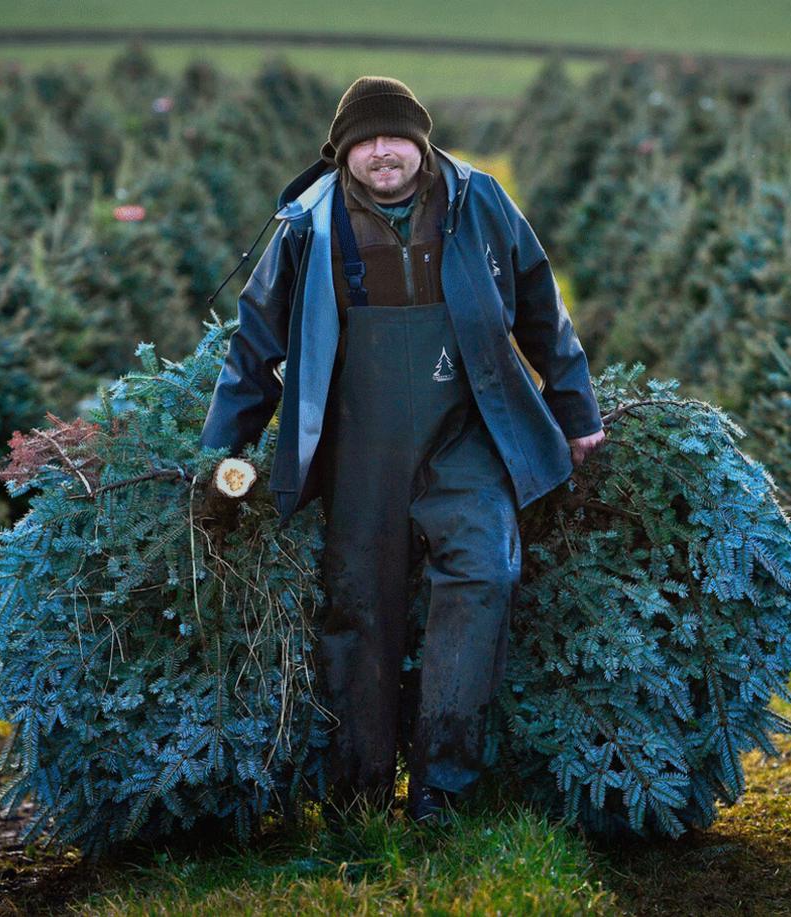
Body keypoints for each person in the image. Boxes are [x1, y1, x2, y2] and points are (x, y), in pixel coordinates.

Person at [200, 75, 605, 826]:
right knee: (362, 609)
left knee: (485, 572)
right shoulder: (308, 225)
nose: (383, 154)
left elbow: (541, 302)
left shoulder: (479, 201)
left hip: (470, 431)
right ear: (342, 152)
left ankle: (442, 792)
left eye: (397, 139)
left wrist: (575, 407)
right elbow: (255, 341)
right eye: (365, 142)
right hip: (361, 442)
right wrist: (221, 456)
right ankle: (356, 798)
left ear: (421, 143)